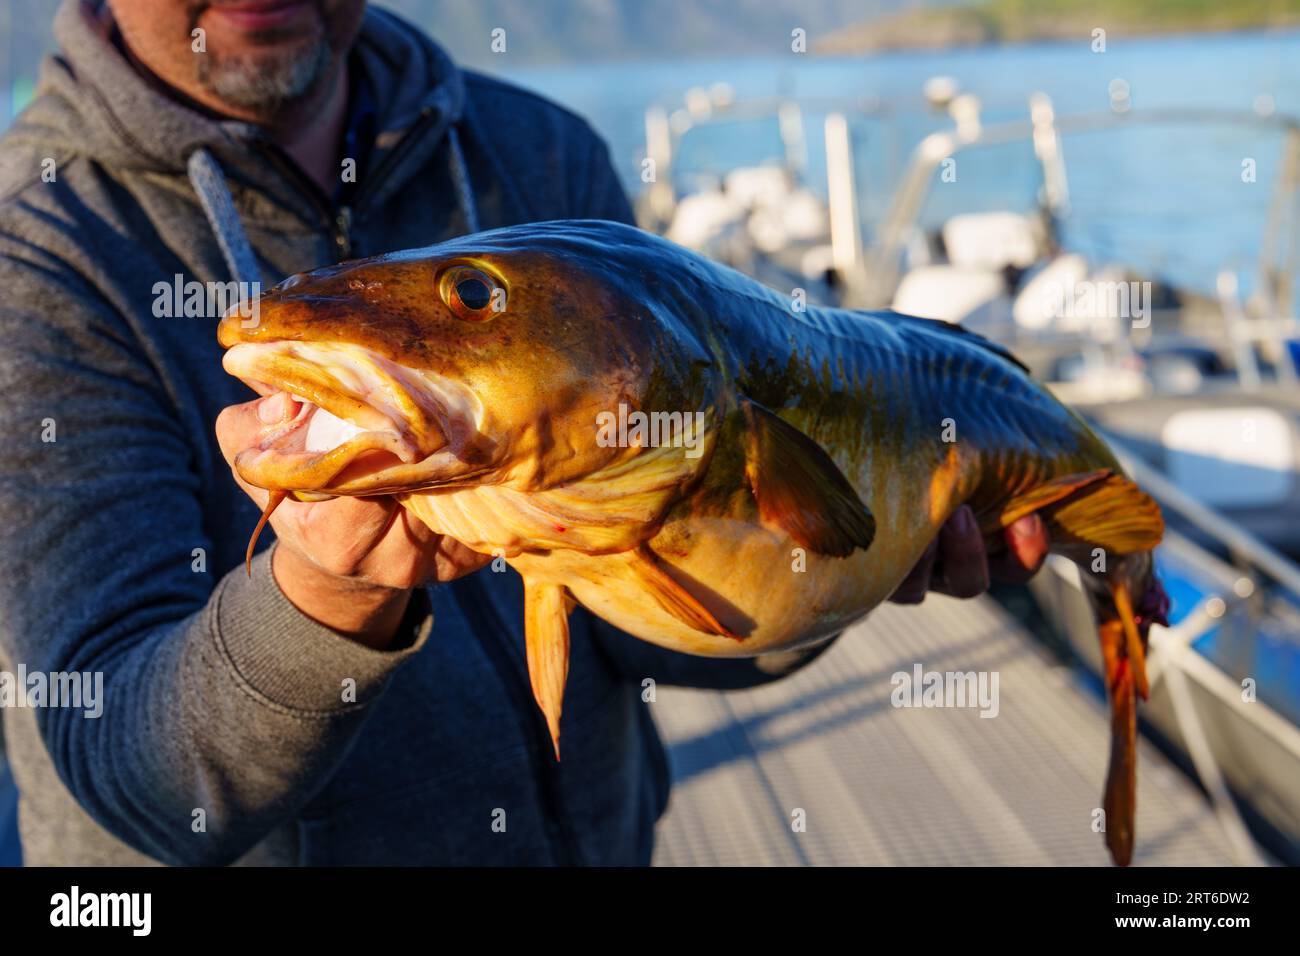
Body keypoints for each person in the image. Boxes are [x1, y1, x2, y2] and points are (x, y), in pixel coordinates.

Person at [0, 0, 1049, 866]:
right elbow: (128, 784)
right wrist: (325, 598)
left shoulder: (539, 152)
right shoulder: (34, 260)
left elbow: (635, 632)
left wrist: (830, 567)